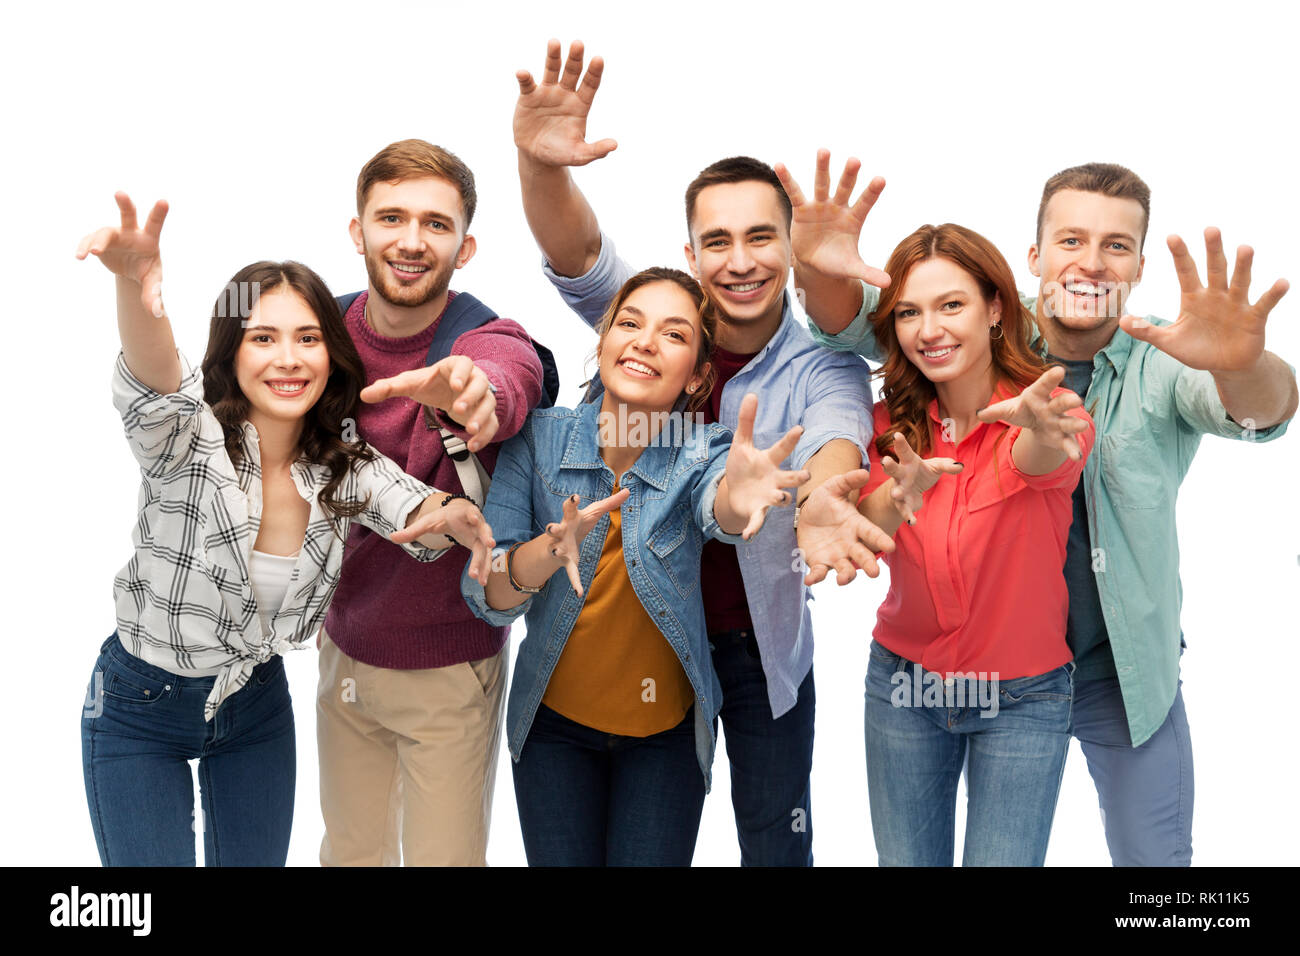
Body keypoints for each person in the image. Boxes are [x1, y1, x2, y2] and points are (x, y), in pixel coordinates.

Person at [792, 153, 1297, 866]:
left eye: (1115, 246)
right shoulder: (969, 335)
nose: (1090, 264)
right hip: (953, 669)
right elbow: (859, 331)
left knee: (1157, 873)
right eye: (1071, 241)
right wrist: (815, 268)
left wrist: (1242, 363)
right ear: (1034, 256)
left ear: (1139, 266)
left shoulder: (1169, 355)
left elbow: (1258, 414)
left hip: (1112, 670)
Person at [512, 40, 890, 866]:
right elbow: (579, 257)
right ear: (690, 254)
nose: (741, 260)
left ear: (791, 248)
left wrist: (823, 498)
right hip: (641, 645)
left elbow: (836, 435)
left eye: (762, 238)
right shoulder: (659, 322)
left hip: (759, 647)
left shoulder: (823, 363)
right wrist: (540, 169)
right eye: (717, 241)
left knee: (775, 840)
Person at [77, 193, 494, 867]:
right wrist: (134, 283)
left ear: (331, 353)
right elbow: (158, 380)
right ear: (233, 351)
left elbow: (413, 509)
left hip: (255, 707)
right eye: (263, 338)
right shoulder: (189, 438)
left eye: (307, 339)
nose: (288, 359)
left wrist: (453, 515)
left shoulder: (340, 464)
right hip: (141, 703)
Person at [463, 267, 810, 865]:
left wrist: (739, 497)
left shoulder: (704, 449)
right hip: (552, 733)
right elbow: (488, 594)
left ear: (700, 374)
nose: (645, 341)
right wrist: (549, 551)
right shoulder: (536, 441)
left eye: (674, 335)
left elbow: (717, 507)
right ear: (602, 341)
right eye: (629, 323)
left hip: (663, 742)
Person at [831, 221, 1095, 865]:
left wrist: (1034, 426)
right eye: (910, 313)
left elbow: (1039, 460)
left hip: (1023, 696)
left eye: (952, 305)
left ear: (996, 308)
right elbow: (865, 532)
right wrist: (898, 496)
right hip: (904, 688)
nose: (930, 330)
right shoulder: (887, 422)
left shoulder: (1056, 413)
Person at [315, 140, 546, 867]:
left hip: (448, 668)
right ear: (358, 231)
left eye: (436, 225)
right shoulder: (319, 337)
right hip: (344, 650)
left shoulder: (479, 336)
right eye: (391, 217)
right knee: (350, 854)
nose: (412, 241)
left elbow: (512, 370)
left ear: (466, 245)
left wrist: (482, 396)